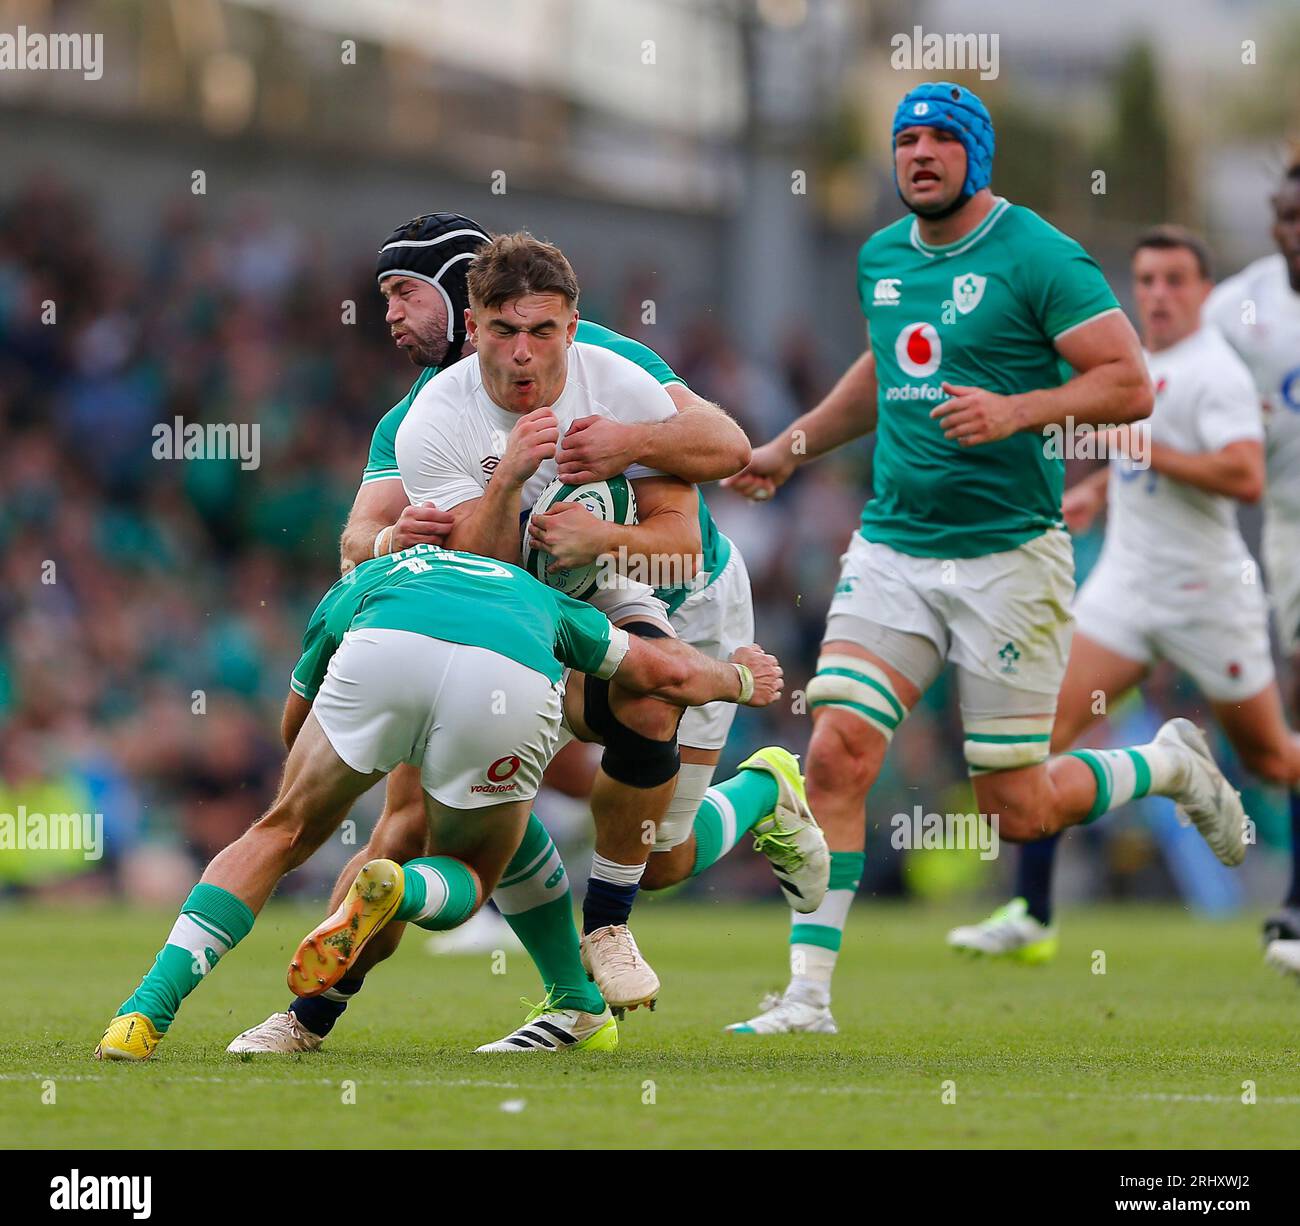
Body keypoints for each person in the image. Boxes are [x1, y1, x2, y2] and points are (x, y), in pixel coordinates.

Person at [721, 82, 1245, 1035]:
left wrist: (1017, 411)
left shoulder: (1037, 253)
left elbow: (1126, 383)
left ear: (975, 156)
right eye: (905, 139)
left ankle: (1168, 766)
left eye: (938, 140)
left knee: (1019, 808)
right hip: (894, 547)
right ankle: (806, 997)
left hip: (1011, 560)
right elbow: (885, 369)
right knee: (837, 751)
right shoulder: (881, 256)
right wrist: (789, 445)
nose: (918, 153)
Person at [232, 219, 825, 1055]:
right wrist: (389, 544)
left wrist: (625, 447)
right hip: (520, 613)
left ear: (453, 293)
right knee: (418, 813)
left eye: (403, 293)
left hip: (675, 597)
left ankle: (762, 794)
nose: (390, 316)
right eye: (384, 298)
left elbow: (717, 456)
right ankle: (312, 1015)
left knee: (660, 854)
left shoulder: (595, 359)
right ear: (477, 324)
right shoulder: (421, 414)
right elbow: (358, 539)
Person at [96, 543, 784, 1061]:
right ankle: (405, 894)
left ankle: (142, 1013)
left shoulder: (365, 578)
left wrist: (353, 766)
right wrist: (739, 678)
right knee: (471, 868)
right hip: (506, 677)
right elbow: (664, 670)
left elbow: (292, 726)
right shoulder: (542, 596)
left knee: (278, 831)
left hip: (384, 650)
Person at [951, 225, 1285, 961]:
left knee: (1271, 758)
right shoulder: (1141, 364)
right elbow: (1149, 463)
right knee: (1038, 740)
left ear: (1204, 290)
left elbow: (1244, 475)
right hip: (1127, 588)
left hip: (1206, 594)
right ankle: (1034, 914)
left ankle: (1291, 906)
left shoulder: (1214, 372)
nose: (1158, 294)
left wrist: (1137, 449)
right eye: (1147, 279)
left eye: (1175, 280)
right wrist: (1102, 488)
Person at [1203, 159, 1300, 977]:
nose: (1288, 231)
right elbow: (1172, 378)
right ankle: (1299, 896)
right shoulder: (1243, 306)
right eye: (1282, 214)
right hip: (1292, 518)